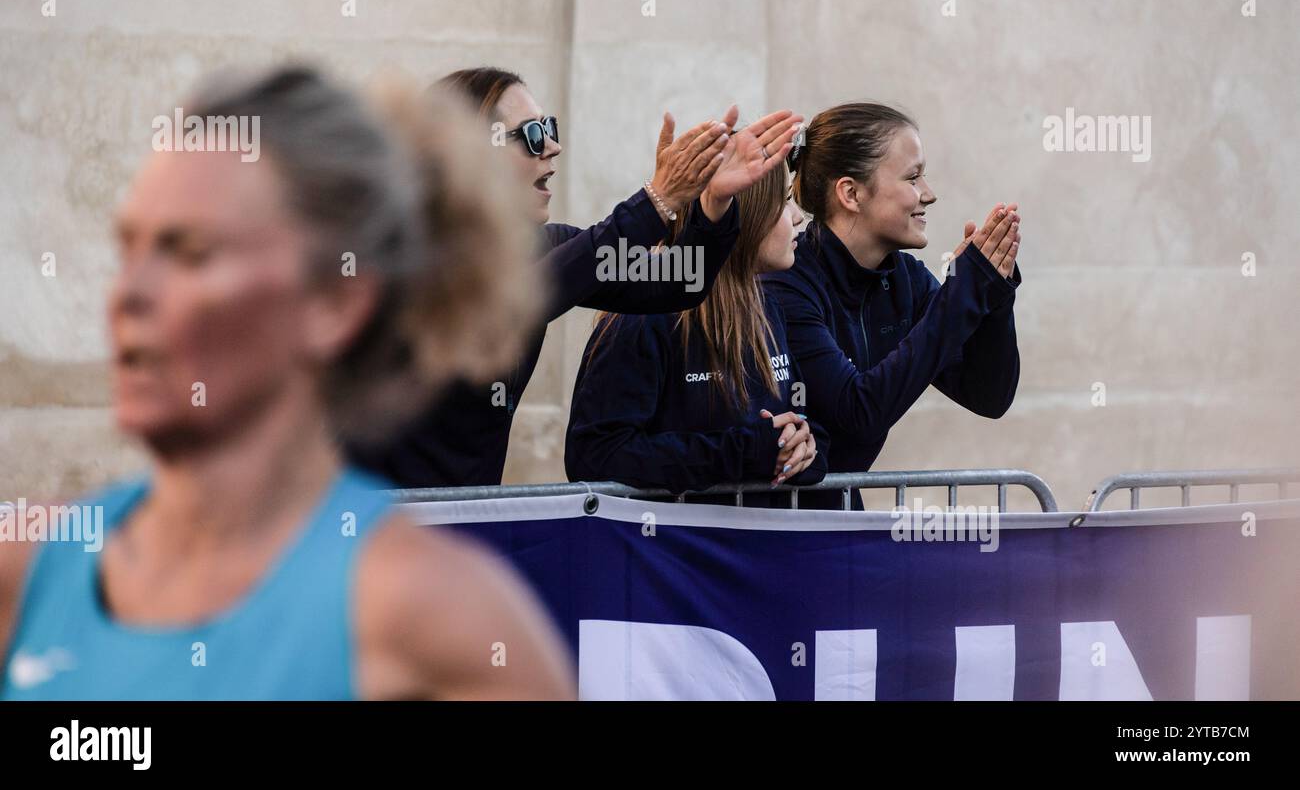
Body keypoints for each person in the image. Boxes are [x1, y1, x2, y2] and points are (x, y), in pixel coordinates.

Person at [0, 65, 574, 699]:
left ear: (334, 303)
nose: (128, 295)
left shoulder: (449, 627)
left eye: (191, 252)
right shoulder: (29, 567)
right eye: (129, 249)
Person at [346, 67, 802, 489]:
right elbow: (512, 303)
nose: (552, 146)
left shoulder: (544, 248)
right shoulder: (404, 261)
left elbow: (679, 280)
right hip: (359, 537)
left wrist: (713, 204)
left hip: (453, 531)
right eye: (531, 135)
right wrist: (656, 201)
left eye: (551, 129)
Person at [764, 102, 1022, 509]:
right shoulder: (785, 281)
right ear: (851, 193)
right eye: (913, 176)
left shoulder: (906, 279)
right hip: (755, 529)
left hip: (836, 515)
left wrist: (993, 293)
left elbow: (988, 396)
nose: (929, 194)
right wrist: (964, 292)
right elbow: (858, 411)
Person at [565, 153, 825, 507]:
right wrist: (743, 454)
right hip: (670, 554)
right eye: (783, 201)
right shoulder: (642, 319)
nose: (798, 217)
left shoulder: (769, 306)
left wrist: (803, 449)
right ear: (746, 217)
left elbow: (786, 424)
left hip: (750, 553)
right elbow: (595, 457)